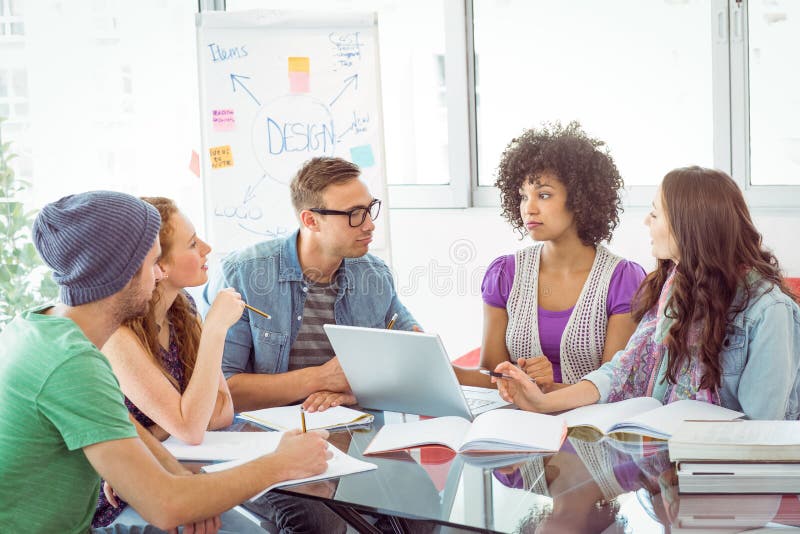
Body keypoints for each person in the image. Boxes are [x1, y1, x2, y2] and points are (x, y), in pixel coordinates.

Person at [0, 191, 331, 533]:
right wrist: (281, 463)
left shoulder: (38, 327)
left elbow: (127, 426)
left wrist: (182, 483)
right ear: (123, 272)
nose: (159, 275)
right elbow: (165, 505)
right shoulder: (71, 363)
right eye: (153, 262)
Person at [494, 166, 800, 420]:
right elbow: (623, 370)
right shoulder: (674, 288)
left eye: (655, 215)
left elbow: (763, 433)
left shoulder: (769, 311)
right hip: (668, 462)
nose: (646, 222)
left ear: (688, 227)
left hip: (727, 477)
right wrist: (542, 401)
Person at [204, 156, 419, 413]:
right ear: (310, 221)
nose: (370, 225)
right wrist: (318, 379)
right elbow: (221, 392)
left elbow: (414, 361)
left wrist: (355, 393)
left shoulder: (375, 276)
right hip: (270, 438)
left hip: (358, 431)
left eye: (370, 209)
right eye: (354, 214)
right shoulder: (242, 273)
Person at [456, 121, 645, 391]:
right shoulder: (504, 273)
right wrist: (446, 371)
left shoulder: (622, 279)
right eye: (523, 196)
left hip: (588, 427)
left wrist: (542, 388)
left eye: (543, 195)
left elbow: (614, 389)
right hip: (517, 423)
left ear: (581, 199)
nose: (528, 209)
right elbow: (494, 379)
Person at [92, 197, 246, 528]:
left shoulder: (183, 308)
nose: (206, 248)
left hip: (173, 467)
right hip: (122, 496)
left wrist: (163, 425)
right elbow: (192, 428)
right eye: (192, 244)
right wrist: (216, 328)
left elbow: (221, 411)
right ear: (157, 266)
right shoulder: (118, 335)